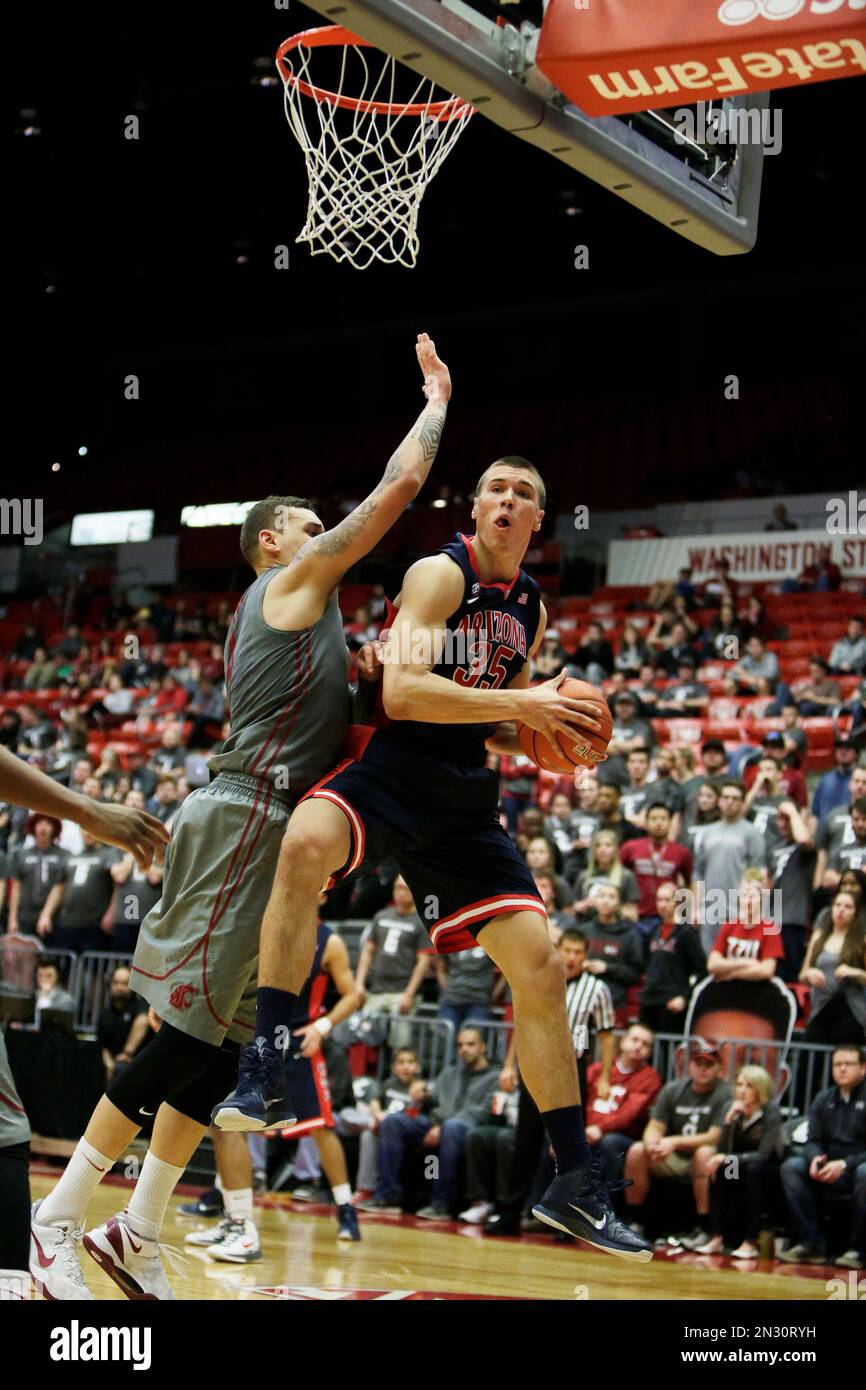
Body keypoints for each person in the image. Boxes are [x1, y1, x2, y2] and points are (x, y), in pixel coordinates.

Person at [29, 332, 452, 1300]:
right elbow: (390, 497)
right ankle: (57, 1214)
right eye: (307, 520)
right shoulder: (290, 583)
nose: (320, 531)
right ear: (273, 537)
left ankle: (136, 1228)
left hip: (274, 826)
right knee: (187, 1034)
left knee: (222, 1043)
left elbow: (352, 727)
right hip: (244, 818)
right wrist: (434, 403)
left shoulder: (316, 613)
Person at [217, 453, 652, 1260]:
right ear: (478, 507)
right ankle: (269, 1060)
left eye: (524, 494)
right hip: (397, 763)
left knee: (542, 965)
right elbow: (406, 692)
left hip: (462, 795)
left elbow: (490, 721)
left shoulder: (532, 608)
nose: (507, 500)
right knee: (306, 842)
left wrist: (538, 738)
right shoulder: (436, 575)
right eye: (495, 488)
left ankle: (574, 1183)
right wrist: (526, 702)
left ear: (536, 520)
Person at [484, 928, 616, 1236]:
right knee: (525, 1142)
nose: (570, 957)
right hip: (537, 1064)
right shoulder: (540, 978)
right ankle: (510, 1213)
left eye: (577, 953)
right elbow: (524, 1025)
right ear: (558, 949)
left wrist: (606, 1076)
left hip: (572, 1068)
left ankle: (570, 1217)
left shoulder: (597, 989)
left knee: (566, 1146)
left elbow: (606, 1036)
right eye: (566, 950)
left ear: (585, 957)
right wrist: (508, 1065)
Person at [358, 1027, 499, 1219]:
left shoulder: (495, 1077)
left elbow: (482, 1113)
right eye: (460, 1045)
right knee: (392, 1121)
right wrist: (423, 1094)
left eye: (470, 1044)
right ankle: (388, 1196)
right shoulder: (450, 1072)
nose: (464, 1049)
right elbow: (435, 1101)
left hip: (466, 1127)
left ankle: (440, 1205)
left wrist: (440, 1126)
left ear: (483, 1047)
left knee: (451, 1127)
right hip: (436, 1122)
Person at [624, 1039, 732, 1248]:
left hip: (721, 1161)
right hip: (673, 1157)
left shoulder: (725, 1093)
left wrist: (673, 1142)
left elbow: (714, 1137)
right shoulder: (673, 1089)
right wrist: (652, 1144)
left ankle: (703, 1227)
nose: (702, 1069)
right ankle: (634, 1221)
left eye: (709, 1065)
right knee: (636, 1151)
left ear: (720, 1069)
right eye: (698, 1063)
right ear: (689, 1066)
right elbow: (655, 1126)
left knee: (704, 1154)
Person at [779, 1045, 866, 1268]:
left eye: (848, 1064)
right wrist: (816, 1159)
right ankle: (812, 1242)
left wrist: (845, 1164)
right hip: (829, 1167)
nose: (842, 1069)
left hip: (858, 1166)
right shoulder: (823, 1098)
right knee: (791, 1166)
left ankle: (859, 1250)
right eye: (837, 1064)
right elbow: (813, 1140)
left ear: (863, 1068)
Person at [692, 1065, 783, 1258]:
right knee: (720, 1170)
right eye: (739, 1085)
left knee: (752, 1169)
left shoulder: (770, 1112)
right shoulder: (731, 1108)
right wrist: (727, 1121)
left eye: (748, 1086)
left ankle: (750, 1242)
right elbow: (723, 1151)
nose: (741, 1090)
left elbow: (764, 1154)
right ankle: (716, 1237)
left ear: (760, 1089)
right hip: (738, 1164)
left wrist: (727, 1158)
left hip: (767, 1168)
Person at [353, 877, 433, 1048]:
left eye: (405, 888)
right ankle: (363, 1074)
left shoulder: (421, 922)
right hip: (376, 990)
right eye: (397, 888)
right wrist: (359, 984)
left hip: (401, 992)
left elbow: (423, 962)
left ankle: (395, 1074)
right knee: (363, 1035)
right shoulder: (381, 916)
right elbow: (367, 952)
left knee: (400, 1041)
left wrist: (409, 995)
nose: (401, 893)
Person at [693, 782, 767, 955]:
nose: (730, 802)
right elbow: (698, 872)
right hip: (709, 909)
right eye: (726, 797)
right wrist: (695, 907)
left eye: (735, 798)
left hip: (737, 910)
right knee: (709, 958)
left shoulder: (752, 833)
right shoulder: (707, 833)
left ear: (742, 803)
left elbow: (758, 871)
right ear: (719, 801)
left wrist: (750, 908)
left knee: (734, 958)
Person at [585, 1024, 662, 1182]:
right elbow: (580, 1101)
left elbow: (628, 1115)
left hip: (622, 1135)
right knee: (555, 1136)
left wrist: (600, 1128)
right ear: (622, 1042)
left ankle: (604, 1203)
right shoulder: (598, 1069)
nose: (638, 1046)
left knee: (609, 1142)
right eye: (635, 1039)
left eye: (645, 1044)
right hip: (587, 1129)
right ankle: (537, 1202)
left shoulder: (650, 1078)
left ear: (650, 1052)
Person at [800, 889, 866, 1045]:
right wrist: (810, 973)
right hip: (821, 1007)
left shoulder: (861, 941)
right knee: (810, 1055)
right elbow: (802, 975)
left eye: (848, 907)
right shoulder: (818, 937)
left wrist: (854, 972)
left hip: (850, 1009)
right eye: (838, 905)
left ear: (855, 913)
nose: (841, 910)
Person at [639, 882, 707, 1033]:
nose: (662, 905)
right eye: (659, 900)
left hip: (672, 1002)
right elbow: (647, 964)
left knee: (668, 1051)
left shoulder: (686, 932)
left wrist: (685, 997)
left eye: (667, 900)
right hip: (650, 999)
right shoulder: (653, 932)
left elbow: (702, 970)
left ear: (677, 902)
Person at [35, 832, 118, 954]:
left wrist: (111, 913)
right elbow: (59, 887)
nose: (88, 833)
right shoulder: (70, 857)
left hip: (95, 924)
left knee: (92, 969)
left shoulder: (109, 855)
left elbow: (117, 886)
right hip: (67, 922)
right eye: (84, 829)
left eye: (92, 829)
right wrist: (46, 914)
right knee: (62, 967)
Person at [620, 802, 693, 939]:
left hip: (667, 918)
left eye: (663, 818)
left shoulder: (681, 852)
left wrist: (687, 913)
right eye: (654, 819)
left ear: (670, 822)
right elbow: (617, 878)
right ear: (646, 822)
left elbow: (689, 885)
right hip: (636, 917)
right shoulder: (631, 848)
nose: (658, 823)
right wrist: (623, 906)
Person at [581, 884, 644, 1013]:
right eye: (601, 896)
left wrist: (607, 968)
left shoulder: (630, 934)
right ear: (594, 901)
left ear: (619, 904)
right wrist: (580, 965)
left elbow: (635, 974)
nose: (605, 901)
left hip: (614, 1003)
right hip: (583, 1001)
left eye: (611, 897)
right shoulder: (583, 931)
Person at [96, 967, 151, 1082]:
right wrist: (109, 1063)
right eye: (116, 983)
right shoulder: (105, 1013)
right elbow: (102, 1045)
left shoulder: (141, 1007)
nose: (119, 987)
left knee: (121, 1068)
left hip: (137, 1062)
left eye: (125, 983)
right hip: (112, 1062)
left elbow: (143, 1021)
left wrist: (127, 1053)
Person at [436, 944, 496, 1035]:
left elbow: (506, 970)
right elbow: (440, 967)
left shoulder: (489, 938)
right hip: (450, 1000)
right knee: (445, 1042)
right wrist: (448, 990)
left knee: (474, 1043)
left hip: (479, 1001)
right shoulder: (449, 934)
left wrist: (493, 995)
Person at [812, 733, 859, 827]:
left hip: (851, 836)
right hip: (826, 837)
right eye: (839, 747)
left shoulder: (861, 780)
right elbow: (815, 814)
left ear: (856, 753)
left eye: (848, 748)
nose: (843, 751)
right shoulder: (825, 780)